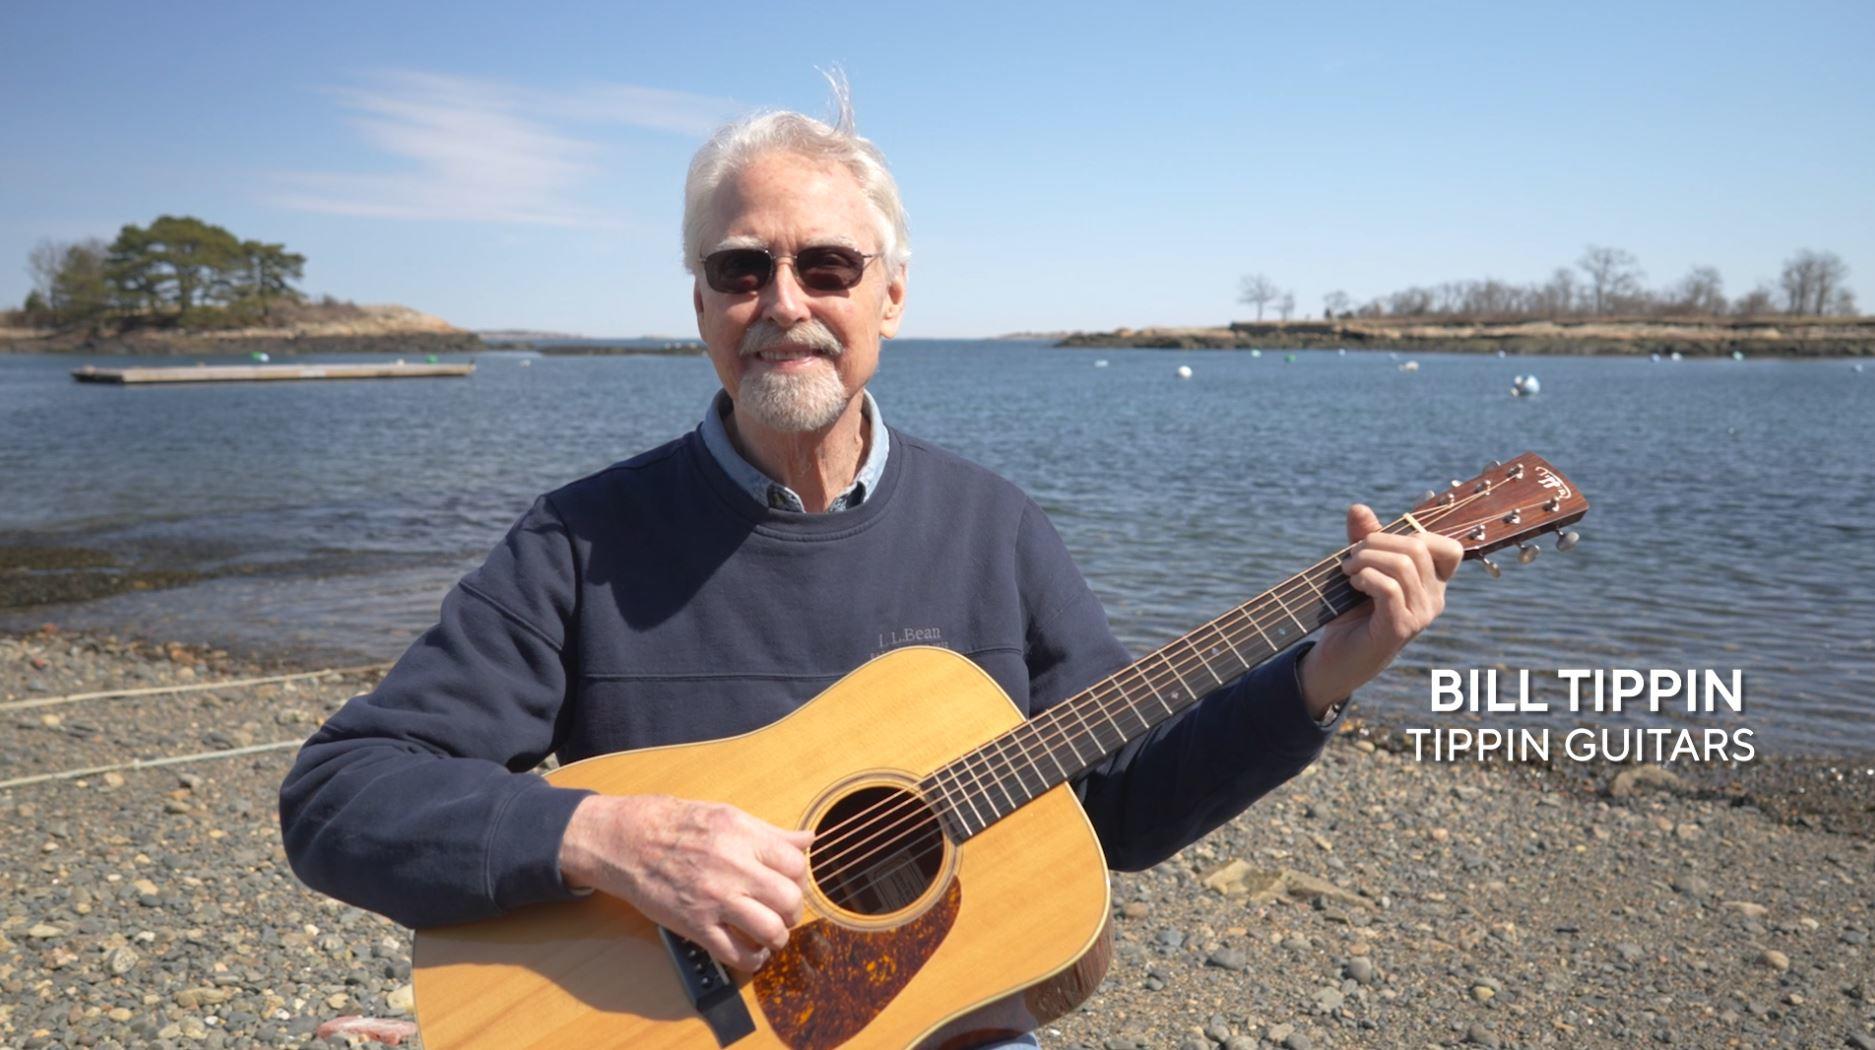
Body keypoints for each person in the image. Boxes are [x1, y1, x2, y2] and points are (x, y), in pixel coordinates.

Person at [279, 87, 1461, 1047]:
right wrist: (611, 841)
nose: (782, 304)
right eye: (741, 270)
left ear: (892, 295)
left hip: (945, 1026)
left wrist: (1319, 677)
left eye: (828, 268)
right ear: (697, 301)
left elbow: (1119, 806)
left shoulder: (993, 528)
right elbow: (340, 796)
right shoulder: (582, 539)